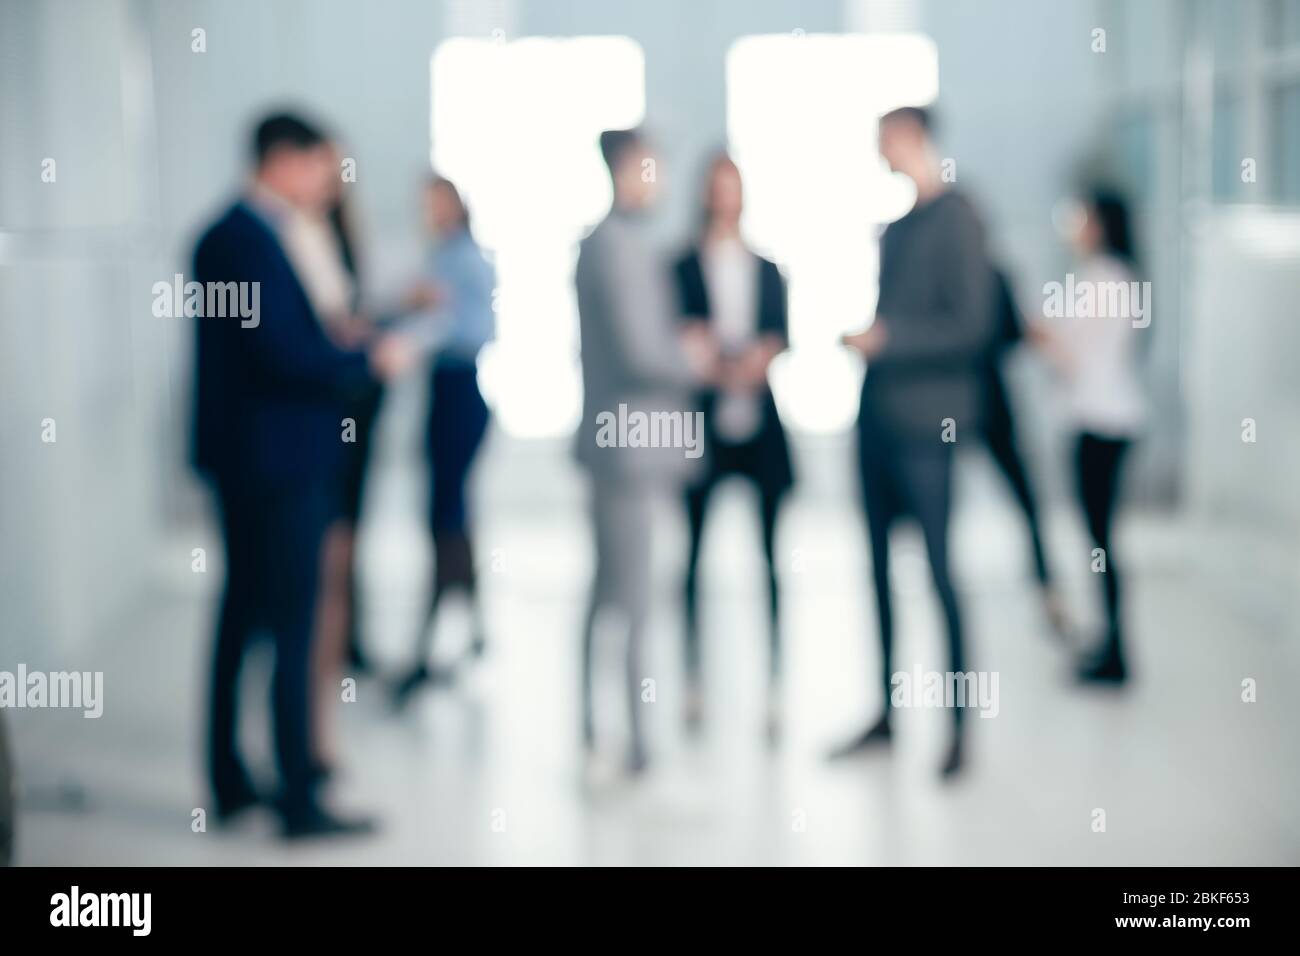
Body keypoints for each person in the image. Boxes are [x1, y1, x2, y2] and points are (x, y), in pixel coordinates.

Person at [192, 112, 415, 838]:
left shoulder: (255, 233)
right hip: (274, 458)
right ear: (283, 161)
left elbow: (289, 340)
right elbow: (282, 354)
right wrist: (365, 360)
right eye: (321, 165)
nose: (328, 181)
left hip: (267, 454)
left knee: (247, 613)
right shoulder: (241, 237)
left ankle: (234, 779)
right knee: (287, 620)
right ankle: (296, 796)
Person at [837, 106, 995, 778]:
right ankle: (887, 712)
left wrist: (890, 341)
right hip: (876, 421)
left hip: (930, 428)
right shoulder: (898, 227)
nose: (883, 157)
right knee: (877, 574)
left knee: (939, 574)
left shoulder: (960, 217)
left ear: (915, 140)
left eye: (888, 144)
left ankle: (958, 729)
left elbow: (972, 326)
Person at [575, 128, 716, 775]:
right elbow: (640, 353)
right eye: (652, 169)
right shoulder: (616, 248)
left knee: (611, 589)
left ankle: (595, 724)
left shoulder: (623, 244)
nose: (659, 182)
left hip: (627, 447)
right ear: (628, 170)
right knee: (629, 597)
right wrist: (694, 356)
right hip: (630, 446)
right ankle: (634, 740)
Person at [673, 153, 793, 741]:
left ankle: (774, 684)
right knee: (691, 556)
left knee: (770, 557)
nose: (725, 199)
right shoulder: (681, 265)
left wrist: (754, 363)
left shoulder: (766, 267)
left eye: (734, 188)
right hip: (703, 427)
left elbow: (781, 335)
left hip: (761, 427)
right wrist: (717, 369)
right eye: (716, 188)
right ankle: (692, 680)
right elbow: (680, 337)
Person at [1031, 187, 1146, 684]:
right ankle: (1110, 643)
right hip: (1110, 418)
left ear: (1099, 223)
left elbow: (1072, 354)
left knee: (1100, 540)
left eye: (1080, 216)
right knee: (1100, 540)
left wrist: (1037, 334)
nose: (1073, 225)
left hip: (1100, 421)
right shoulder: (1119, 277)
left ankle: (1114, 650)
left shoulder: (1103, 279)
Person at [393, 176, 496, 702]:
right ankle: (473, 632)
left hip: (461, 396)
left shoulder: (466, 259)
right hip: (441, 395)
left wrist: (432, 313)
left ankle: (434, 641)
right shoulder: (438, 256)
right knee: (448, 517)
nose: (428, 212)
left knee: (447, 517)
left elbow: (479, 330)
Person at [979, 265, 1065, 635]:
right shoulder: (991, 273)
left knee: (1027, 503)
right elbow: (1013, 333)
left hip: (981, 401)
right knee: (1026, 503)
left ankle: (1048, 592)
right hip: (982, 401)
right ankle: (1048, 592)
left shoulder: (990, 274)